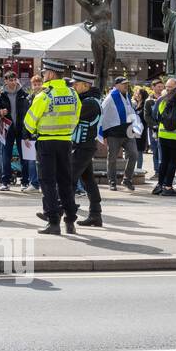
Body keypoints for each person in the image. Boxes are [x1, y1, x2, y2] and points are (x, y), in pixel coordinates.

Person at [25, 59, 80, 234]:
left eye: (44, 73)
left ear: (50, 74)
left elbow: (29, 122)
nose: (43, 76)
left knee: (47, 182)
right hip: (65, 141)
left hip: (47, 142)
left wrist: (33, 130)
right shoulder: (72, 93)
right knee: (65, 181)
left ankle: (53, 221)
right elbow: (76, 115)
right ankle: (70, 220)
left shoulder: (44, 95)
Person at [70, 72, 105, 228]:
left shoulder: (90, 103)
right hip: (83, 146)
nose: (74, 87)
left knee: (69, 178)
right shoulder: (87, 100)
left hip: (84, 146)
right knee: (88, 180)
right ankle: (95, 215)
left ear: (86, 85)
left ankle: (57, 210)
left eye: (76, 84)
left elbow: (73, 118)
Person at [100, 76, 138, 192]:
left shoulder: (127, 96)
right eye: (123, 84)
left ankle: (127, 179)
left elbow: (131, 112)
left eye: (127, 83)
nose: (126, 86)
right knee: (112, 158)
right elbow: (104, 116)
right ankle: (112, 181)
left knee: (134, 154)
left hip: (128, 131)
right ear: (116, 86)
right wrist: (104, 134)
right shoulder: (110, 98)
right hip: (114, 133)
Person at [0, 72, 30, 190]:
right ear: (5, 81)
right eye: (10, 80)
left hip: (21, 129)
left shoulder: (24, 95)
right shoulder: (1, 96)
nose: (12, 82)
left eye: (14, 80)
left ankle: (25, 181)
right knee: (6, 156)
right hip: (7, 130)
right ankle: (5, 181)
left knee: (24, 156)